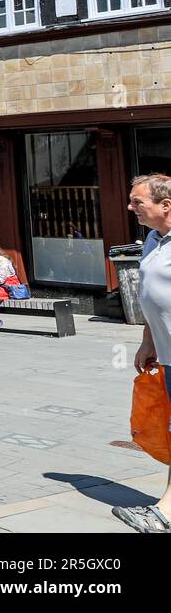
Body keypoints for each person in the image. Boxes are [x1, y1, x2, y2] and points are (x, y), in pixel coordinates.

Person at [112, 174, 171, 533]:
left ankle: (164, 512)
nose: (131, 207)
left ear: (166, 205)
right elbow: (150, 292)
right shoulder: (152, 239)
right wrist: (148, 340)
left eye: (138, 202)